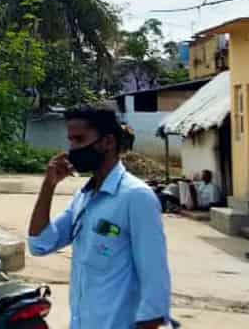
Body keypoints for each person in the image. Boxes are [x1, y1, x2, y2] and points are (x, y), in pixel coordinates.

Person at [28, 106, 174, 329]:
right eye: (70, 141)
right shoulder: (83, 198)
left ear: (107, 142)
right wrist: (48, 186)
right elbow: (39, 244)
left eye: (79, 139)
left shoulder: (136, 197)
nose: (72, 149)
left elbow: (155, 280)